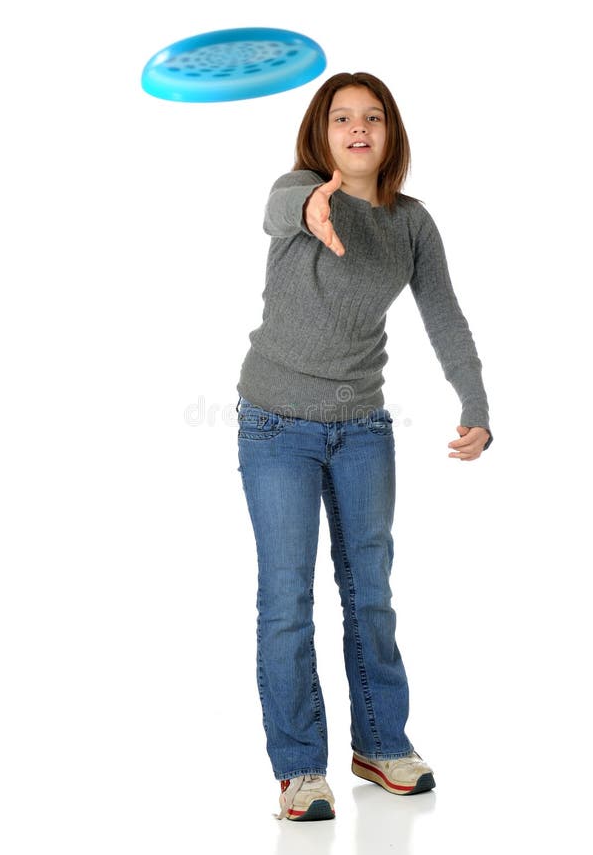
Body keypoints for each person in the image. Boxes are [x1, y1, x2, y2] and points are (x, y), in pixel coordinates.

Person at [235, 72, 493, 822]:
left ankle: (380, 745)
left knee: (370, 594)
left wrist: (475, 403)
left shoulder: (411, 223)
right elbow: (278, 209)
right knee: (286, 598)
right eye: (342, 118)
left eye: (371, 117)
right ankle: (299, 770)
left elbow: (445, 316)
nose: (357, 129)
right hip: (276, 425)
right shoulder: (298, 194)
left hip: (361, 430)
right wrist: (309, 205)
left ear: (390, 133)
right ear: (323, 136)